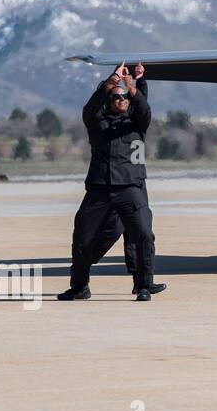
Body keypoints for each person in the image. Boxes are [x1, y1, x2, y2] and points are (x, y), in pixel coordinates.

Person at [58, 62, 164, 302]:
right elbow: (90, 107)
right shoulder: (97, 124)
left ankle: (144, 285)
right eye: (116, 96)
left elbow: (144, 108)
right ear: (108, 99)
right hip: (99, 190)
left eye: (125, 97)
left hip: (130, 188)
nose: (121, 99)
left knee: (143, 235)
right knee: (83, 238)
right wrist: (111, 81)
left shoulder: (136, 124)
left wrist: (134, 86)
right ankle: (79, 287)